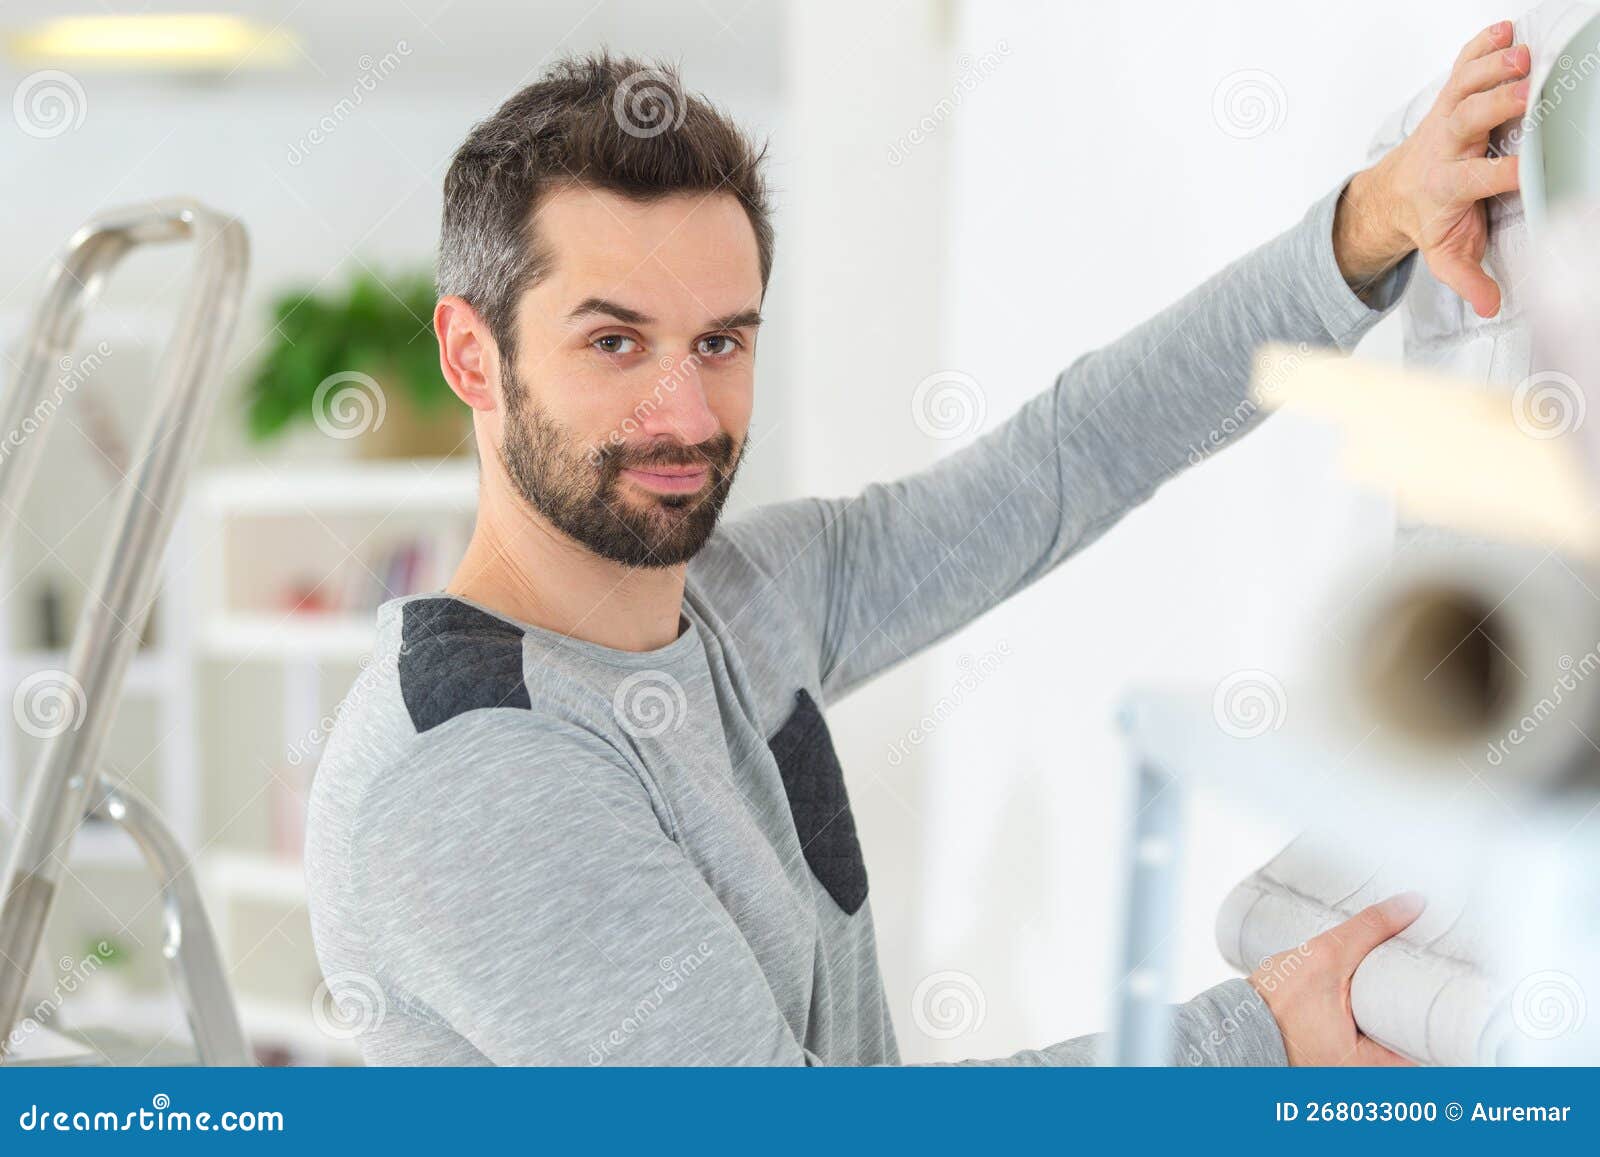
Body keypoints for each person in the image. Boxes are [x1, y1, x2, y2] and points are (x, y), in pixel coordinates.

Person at [306, 23, 1530, 1065]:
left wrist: (1367, 223)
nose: (681, 413)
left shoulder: (735, 597)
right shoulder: (473, 767)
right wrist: (1251, 1034)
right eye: (614, 343)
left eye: (721, 342)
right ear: (473, 355)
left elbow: (1073, 454)